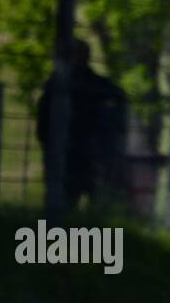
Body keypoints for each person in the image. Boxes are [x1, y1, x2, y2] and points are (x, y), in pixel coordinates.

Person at [36, 39, 128, 209]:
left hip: (77, 153)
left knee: (64, 201)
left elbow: (43, 122)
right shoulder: (96, 85)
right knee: (83, 201)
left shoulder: (58, 86)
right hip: (84, 153)